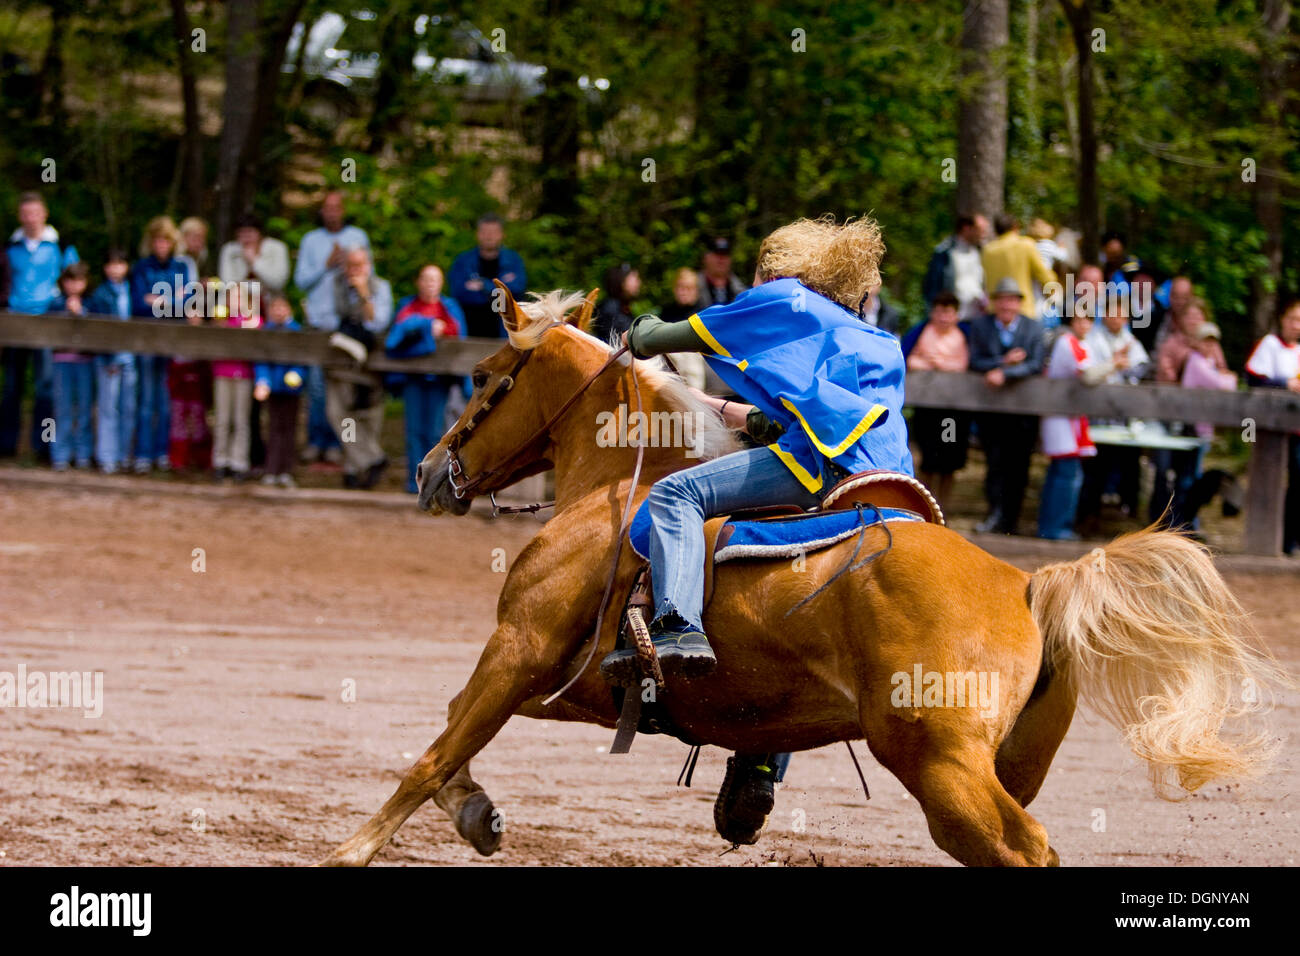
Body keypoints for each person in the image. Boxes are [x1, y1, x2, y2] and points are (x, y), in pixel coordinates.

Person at [599, 216, 912, 683]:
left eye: (758, 271)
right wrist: (710, 405)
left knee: (672, 496)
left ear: (778, 269)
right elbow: (785, 420)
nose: (753, 284)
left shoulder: (787, 297)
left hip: (824, 466)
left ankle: (679, 626)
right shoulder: (863, 332)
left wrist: (639, 333)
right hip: (891, 479)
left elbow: (686, 333)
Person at [2, 191, 79, 460]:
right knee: (11, 386)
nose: (30, 219)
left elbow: (75, 279)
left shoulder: (60, 245)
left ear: (44, 214)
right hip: (14, 322)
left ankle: (43, 447)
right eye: (25, 214)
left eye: (35, 213)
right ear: (20, 217)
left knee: (45, 387)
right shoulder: (10, 246)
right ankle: (7, 445)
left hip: (47, 321)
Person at [294, 190, 370, 465]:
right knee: (315, 388)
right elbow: (300, 282)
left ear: (344, 209)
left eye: (337, 207)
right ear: (321, 211)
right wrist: (326, 266)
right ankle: (317, 443)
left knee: (342, 389)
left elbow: (367, 274)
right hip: (317, 322)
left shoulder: (357, 237)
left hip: (348, 326)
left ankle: (340, 444)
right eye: (327, 208)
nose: (332, 212)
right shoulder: (311, 241)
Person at [968, 277, 1046, 534]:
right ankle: (995, 514)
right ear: (993, 302)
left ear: (1019, 304)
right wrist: (1003, 361)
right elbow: (975, 361)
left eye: (1012, 300)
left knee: (1019, 468)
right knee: (994, 465)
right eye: (1002, 300)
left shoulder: (1034, 329)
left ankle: (1011, 520)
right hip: (992, 412)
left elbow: (1035, 364)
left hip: (1023, 413)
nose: (1006, 305)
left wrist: (1007, 373)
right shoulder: (980, 326)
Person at [385, 264, 465, 494]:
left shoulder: (449, 307)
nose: (430, 284)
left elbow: (458, 334)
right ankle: (414, 483)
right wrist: (425, 326)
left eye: (435, 279)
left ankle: (433, 482)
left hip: (439, 380)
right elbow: (397, 336)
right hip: (414, 378)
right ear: (418, 282)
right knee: (413, 431)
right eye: (426, 279)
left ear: (441, 284)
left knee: (434, 432)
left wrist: (441, 330)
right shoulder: (408, 306)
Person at [1037, 308, 1112, 540]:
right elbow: (1089, 376)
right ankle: (1056, 528)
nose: (1084, 324)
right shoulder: (1068, 342)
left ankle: (1052, 526)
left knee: (1062, 473)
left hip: (1070, 418)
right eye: (1079, 319)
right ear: (1072, 321)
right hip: (1061, 418)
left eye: (1088, 319)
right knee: (1067, 475)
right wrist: (1116, 364)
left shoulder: (1080, 344)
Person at [1150, 298, 1224, 530]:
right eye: (1189, 316)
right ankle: (1163, 521)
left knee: (1191, 474)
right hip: (1170, 419)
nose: (1193, 320)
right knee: (1166, 473)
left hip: (1200, 422)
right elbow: (1167, 378)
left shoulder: (1210, 349)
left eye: (1198, 316)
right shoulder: (1173, 345)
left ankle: (1186, 523)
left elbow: (1222, 375)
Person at [1078, 297, 1150, 526]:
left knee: (1129, 464)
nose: (1115, 319)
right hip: (1097, 412)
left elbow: (1140, 369)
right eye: (1111, 313)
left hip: (1123, 415)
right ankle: (1089, 513)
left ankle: (1128, 511)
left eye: (1120, 314)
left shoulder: (1132, 342)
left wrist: (1128, 369)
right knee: (1095, 465)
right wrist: (1115, 363)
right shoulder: (1093, 338)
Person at [130, 215, 193, 473]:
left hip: (172, 341)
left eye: (166, 240)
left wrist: (158, 299)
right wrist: (172, 299)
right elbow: (138, 304)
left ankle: (163, 453)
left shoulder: (181, 267)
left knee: (167, 400)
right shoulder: (142, 267)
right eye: (157, 240)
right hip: (147, 340)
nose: (161, 245)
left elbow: (188, 303)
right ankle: (143, 454)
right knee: (146, 400)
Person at [326, 247, 393, 489]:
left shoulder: (380, 286)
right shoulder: (334, 285)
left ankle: (355, 469)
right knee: (339, 414)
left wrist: (364, 294)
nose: (354, 271)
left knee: (365, 417)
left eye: (359, 265)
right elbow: (323, 318)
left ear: (368, 265)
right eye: (350, 265)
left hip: (369, 365)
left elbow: (379, 322)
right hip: (338, 361)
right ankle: (370, 459)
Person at [902, 291, 971, 512]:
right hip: (926, 408)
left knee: (947, 457)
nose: (943, 317)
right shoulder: (921, 332)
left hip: (951, 412)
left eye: (948, 312)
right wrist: (927, 363)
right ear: (933, 312)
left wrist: (942, 364)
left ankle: (943, 507)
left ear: (956, 315)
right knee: (928, 457)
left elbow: (965, 365)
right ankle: (923, 507)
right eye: (940, 311)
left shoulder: (964, 335)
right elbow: (908, 358)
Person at [1244, 297, 1300, 554]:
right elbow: (1254, 378)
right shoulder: (1269, 345)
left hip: (1296, 427)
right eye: (1293, 319)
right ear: (1283, 320)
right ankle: (1273, 540)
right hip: (1272, 429)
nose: (1297, 325)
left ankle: (1291, 540)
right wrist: (1284, 384)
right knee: (1272, 483)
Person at [85, 249, 136, 473]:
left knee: (128, 408)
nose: (116, 268)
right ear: (105, 268)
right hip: (109, 360)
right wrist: (109, 357)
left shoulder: (133, 290)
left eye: (120, 263)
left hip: (131, 358)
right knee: (107, 409)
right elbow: (99, 330)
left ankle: (125, 455)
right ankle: (107, 457)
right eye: (111, 264)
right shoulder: (100, 294)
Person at [253, 294, 308, 488]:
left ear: (289, 310)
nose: (278, 311)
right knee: (273, 428)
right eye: (274, 308)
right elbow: (262, 361)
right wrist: (263, 381)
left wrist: (297, 374)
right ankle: (271, 470)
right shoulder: (266, 331)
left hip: (292, 391)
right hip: (273, 389)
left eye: (281, 307)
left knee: (290, 429)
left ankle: (286, 471)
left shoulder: (297, 331)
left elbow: (303, 360)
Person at [210, 287, 262, 482]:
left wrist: (251, 324)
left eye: (239, 297)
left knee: (241, 421)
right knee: (222, 420)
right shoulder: (220, 320)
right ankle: (220, 461)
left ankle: (239, 462)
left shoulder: (252, 320)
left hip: (244, 375)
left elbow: (258, 329)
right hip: (222, 374)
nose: (235, 301)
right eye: (232, 297)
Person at [448, 213, 527, 339]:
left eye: (494, 232)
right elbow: (458, 293)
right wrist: (499, 289)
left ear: (502, 234)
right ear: (477, 234)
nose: (489, 236)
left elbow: (518, 290)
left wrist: (483, 285)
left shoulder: (513, 260)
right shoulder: (463, 261)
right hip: (470, 329)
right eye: (484, 232)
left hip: (505, 331)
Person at [47, 263, 95, 470]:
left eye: (79, 281)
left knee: (85, 409)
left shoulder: (93, 303)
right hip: (61, 363)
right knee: (61, 409)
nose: (74, 286)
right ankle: (59, 453)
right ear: (63, 282)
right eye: (70, 281)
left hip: (84, 363)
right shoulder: (55, 304)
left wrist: (81, 312)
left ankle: (83, 453)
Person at [981, 214, 1056, 320]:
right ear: (1015, 226)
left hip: (995, 311)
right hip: (1022, 310)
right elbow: (1046, 277)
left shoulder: (987, 250)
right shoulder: (1026, 244)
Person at [922, 213, 988, 320]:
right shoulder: (944, 252)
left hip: (976, 318)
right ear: (967, 228)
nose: (983, 234)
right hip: (951, 319)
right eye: (980, 230)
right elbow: (932, 286)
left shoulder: (979, 251)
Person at [218, 213, 290, 295]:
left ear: (260, 233)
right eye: (241, 233)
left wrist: (254, 261)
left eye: (250, 232)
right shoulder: (229, 249)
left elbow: (277, 283)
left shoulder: (277, 247)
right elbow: (227, 284)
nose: (246, 237)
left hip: (270, 303)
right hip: (237, 302)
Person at [590, 263, 640, 344]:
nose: (638, 283)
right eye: (634, 278)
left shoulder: (621, 307)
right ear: (622, 282)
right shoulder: (610, 309)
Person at [695, 236, 746, 309]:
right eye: (717, 254)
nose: (721, 259)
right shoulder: (691, 288)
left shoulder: (741, 291)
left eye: (725, 254)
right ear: (705, 257)